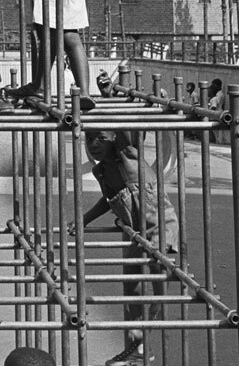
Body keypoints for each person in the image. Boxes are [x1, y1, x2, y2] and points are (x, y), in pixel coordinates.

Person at [81, 127, 178, 365]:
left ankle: (141, 337)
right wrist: (82, 220)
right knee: (131, 283)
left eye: (101, 138)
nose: (94, 144)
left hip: (159, 226)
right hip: (133, 230)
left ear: (115, 138)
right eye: (90, 138)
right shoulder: (100, 171)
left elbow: (123, 124)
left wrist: (109, 95)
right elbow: (107, 200)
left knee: (159, 280)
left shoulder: (128, 155)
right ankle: (139, 345)